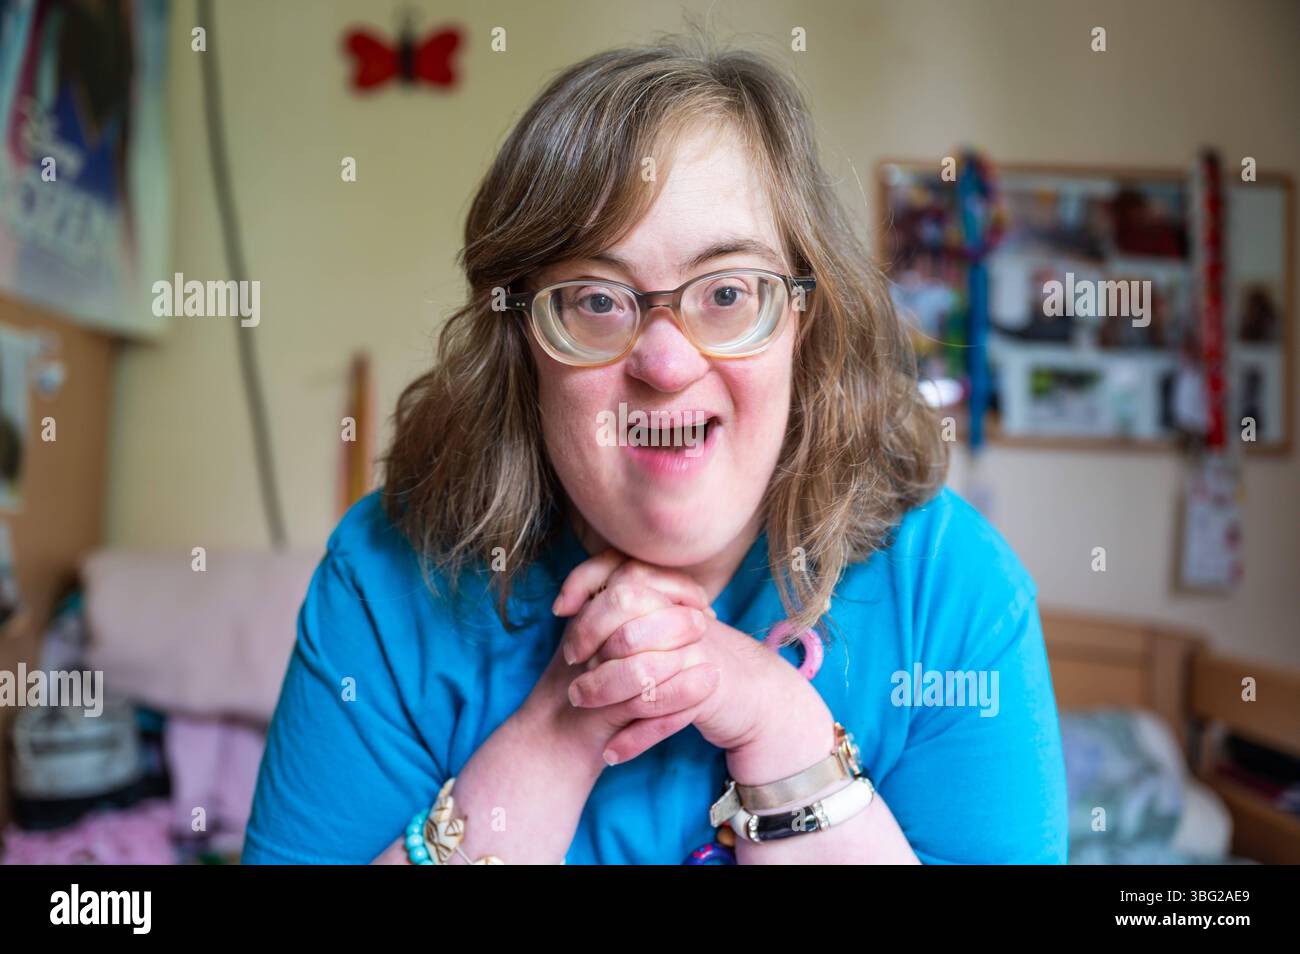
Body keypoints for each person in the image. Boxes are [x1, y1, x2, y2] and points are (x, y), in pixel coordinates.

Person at [243, 40, 1068, 865]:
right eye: (597, 300)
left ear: (800, 325)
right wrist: (561, 731)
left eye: (727, 293)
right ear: (524, 341)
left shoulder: (952, 590)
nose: (668, 365)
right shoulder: (387, 578)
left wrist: (779, 728)